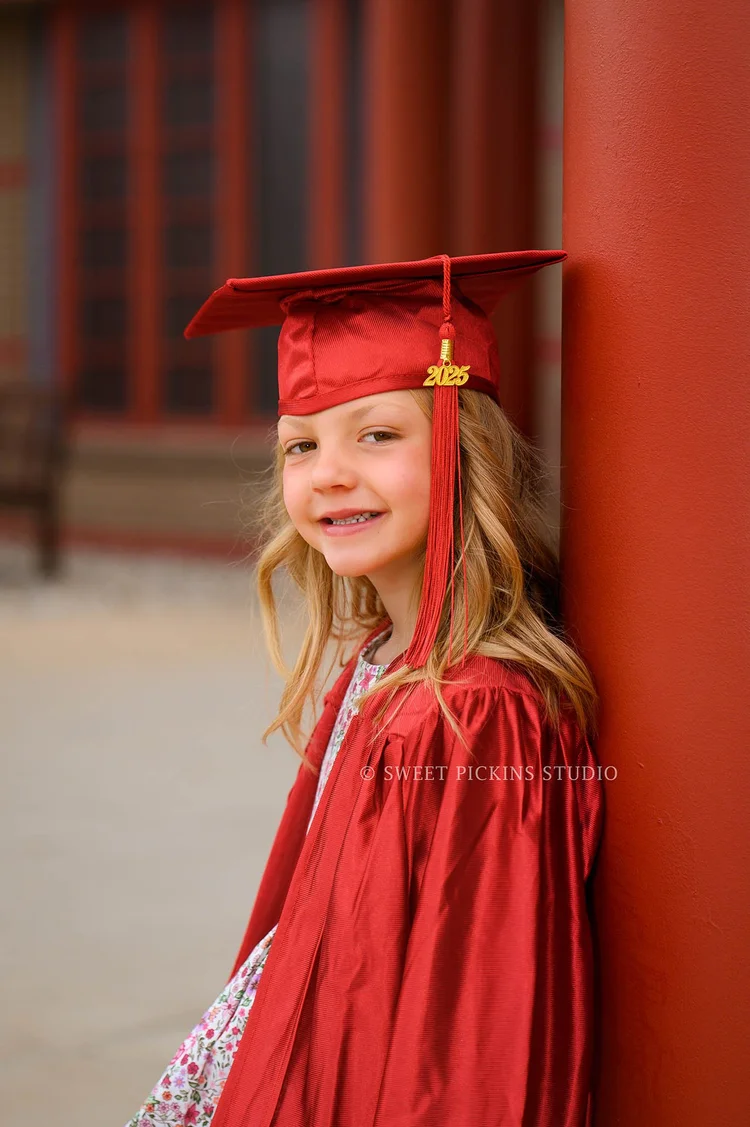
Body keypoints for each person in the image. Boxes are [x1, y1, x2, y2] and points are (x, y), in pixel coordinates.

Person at [125, 251, 604, 1127]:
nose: (329, 472)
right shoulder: (382, 666)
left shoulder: (473, 708)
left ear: (464, 450)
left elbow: (470, 1036)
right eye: (301, 446)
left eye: (376, 434)